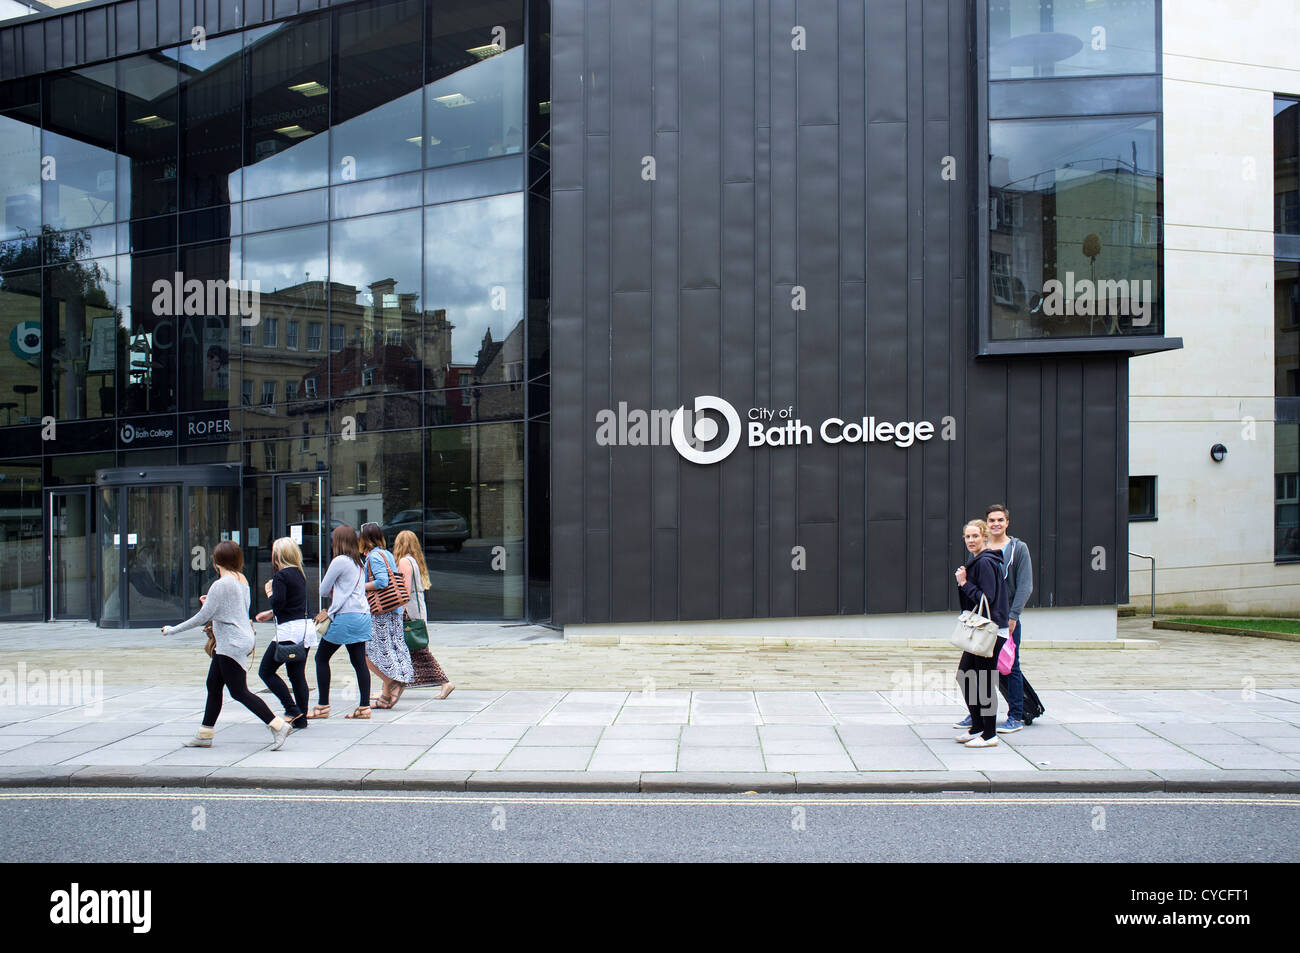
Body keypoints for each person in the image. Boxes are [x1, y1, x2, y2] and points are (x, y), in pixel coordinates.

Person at [163, 540, 291, 750]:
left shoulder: (221, 584)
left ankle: (278, 726)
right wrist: (211, 603)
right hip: (238, 639)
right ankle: (205, 734)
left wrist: (172, 630)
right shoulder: (241, 579)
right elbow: (237, 609)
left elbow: (202, 617)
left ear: (216, 561)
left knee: (239, 691)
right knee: (213, 685)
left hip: (230, 642)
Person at [952, 519, 1009, 747]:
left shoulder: (985, 562)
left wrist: (964, 583)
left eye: (975, 536)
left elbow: (988, 597)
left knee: (982, 679)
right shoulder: (978, 561)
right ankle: (977, 727)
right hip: (984, 630)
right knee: (965, 674)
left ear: (985, 536)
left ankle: (989, 734)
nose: (971, 540)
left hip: (990, 631)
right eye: (967, 537)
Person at [310, 524, 373, 720]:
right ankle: (364, 707)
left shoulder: (340, 561)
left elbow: (322, 589)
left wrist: (334, 593)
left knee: (321, 658)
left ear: (338, 542)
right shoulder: (359, 563)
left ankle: (322, 706)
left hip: (346, 617)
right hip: (362, 616)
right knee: (358, 662)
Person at [255, 537, 315, 731]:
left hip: (288, 631)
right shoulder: (299, 573)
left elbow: (278, 603)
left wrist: (269, 592)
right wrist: (269, 614)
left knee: (266, 671)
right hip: (304, 629)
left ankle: (291, 708)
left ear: (277, 555)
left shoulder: (281, 576)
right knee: (297, 675)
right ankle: (302, 717)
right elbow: (292, 603)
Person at [987, 503, 1036, 731]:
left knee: (1010, 667)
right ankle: (979, 714)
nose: (996, 524)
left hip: (1007, 619)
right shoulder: (981, 547)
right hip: (984, 620)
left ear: (1007, 522)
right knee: (981, 668)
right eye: (992, 520)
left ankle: (1015, 716)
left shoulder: (1019, 549)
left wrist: (1014, 615)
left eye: (1000, 520)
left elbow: (1025, 586)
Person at [392, 530, 455, 699]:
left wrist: (397, 609)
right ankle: (395, 687)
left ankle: (445, 682)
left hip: (409, 612)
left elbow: (404, 591)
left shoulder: (404, 562)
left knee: (418, 651)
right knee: (410, 651)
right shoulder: (414, 561)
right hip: (417, 610)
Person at [359, 523, 414, 709]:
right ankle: (384, 698)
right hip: (393, 609)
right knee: (389, 650)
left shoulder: (374, 556)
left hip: (381, 611)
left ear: (365, 539)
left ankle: (392, 682)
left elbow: (382, 582)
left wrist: (358, 586)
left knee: (367, 653)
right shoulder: (387, 553)